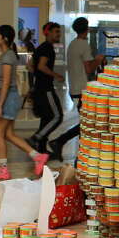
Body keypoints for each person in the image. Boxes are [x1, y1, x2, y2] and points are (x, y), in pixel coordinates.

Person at [0, 24, 49, 181]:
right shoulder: (7, 55)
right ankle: (37, 156)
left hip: (7, 99)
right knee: (8, 134)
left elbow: (6, 83)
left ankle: (3, 169)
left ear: (4, 38)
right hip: (8, 98)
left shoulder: (7, 56)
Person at [50, 16, 104, 163]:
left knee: (85, 122)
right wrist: (98, 60)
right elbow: (88, 69)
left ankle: (80, 154)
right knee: (87, 124)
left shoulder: (72, 44)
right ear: (87, 29)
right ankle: (61, 141)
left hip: (74, 87)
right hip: (83, 89)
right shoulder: (83, 45)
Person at [28, 21, 67, 157]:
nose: (58, 34)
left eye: (59, 32)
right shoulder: (47, 48)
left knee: (46, 118)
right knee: (57, 116)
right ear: (48, 33)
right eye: (56, 32)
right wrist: (56, 75)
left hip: (39, 87)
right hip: (46, 88)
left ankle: (41, 149)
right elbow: (41, 66)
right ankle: (36, 138)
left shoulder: (41, 47)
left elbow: (30, 66)